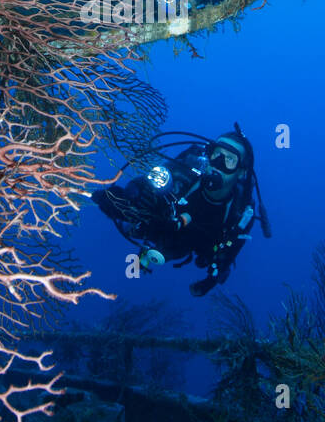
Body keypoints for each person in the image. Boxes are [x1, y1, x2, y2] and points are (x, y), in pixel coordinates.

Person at [93, 125, 270, 296]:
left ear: (241, 172)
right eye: (216, 154)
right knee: (136, 219)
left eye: (230, 159)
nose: (218, 164)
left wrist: (209, 282)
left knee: (203, 256)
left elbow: (230, 252)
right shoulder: (185, 173)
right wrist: (130, 196)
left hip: (204, 242)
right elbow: (148, 184)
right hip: (164, 221)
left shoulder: (240, 209)